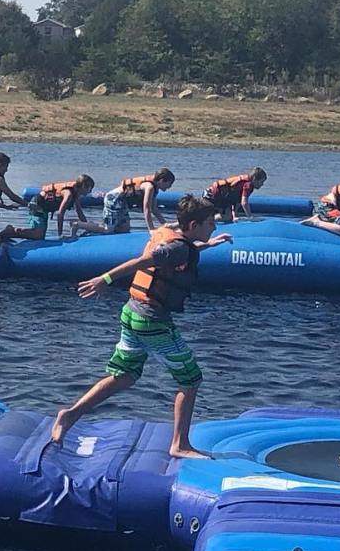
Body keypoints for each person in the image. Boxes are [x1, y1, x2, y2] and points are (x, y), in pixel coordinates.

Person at [50, 194, 231, 459]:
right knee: (191, 379)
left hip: (131, 313)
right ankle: (179, 444)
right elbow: (144, 262)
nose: (214, 228)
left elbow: (177, 254)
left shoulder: (170, 233)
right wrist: (105, 279)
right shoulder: (179, 248)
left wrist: (209, 244)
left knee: (124, 376)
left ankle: (70, 414)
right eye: (209, 224)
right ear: (193, 225)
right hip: (152, 321)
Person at [74, 168, 176, 235]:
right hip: (114, 199)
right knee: (107, 229)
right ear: (162, 180)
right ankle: (79, 224)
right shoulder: (149, 187)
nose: (169, 187)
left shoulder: (155, 188)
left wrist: (164, 224)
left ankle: (91, 232)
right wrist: (151, 230)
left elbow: (154, 209)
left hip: (122, 203)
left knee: (124, 229)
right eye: (169, 184)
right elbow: (146, 209)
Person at [15, 175, 95, 241]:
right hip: (37, 205)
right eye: (90, 189)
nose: (90, 192)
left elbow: (80, 213)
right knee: (38, 235)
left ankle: (17, 232)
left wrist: (88, 228)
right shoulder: (68, 194)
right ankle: (13, 231)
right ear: (84, 186)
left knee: (40, 236)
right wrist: (60, 235)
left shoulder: (76, 195)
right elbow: (60, 214)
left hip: (44, 209)